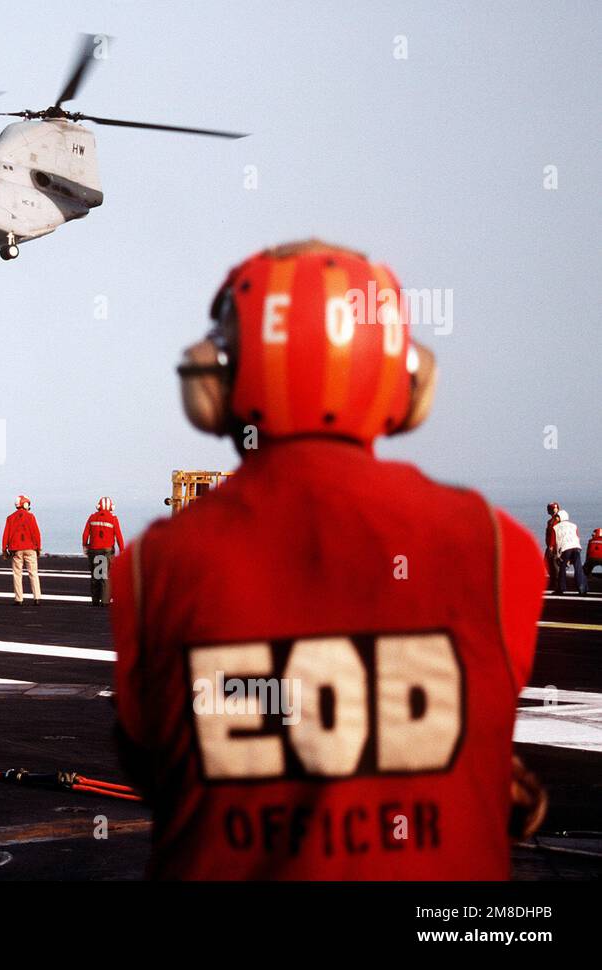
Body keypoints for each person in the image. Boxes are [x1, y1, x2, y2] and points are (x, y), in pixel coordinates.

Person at [112, 240, 545, 879]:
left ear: (219, 381)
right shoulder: (496, 544)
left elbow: (149, 760)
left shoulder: (154, 566)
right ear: (408, 378)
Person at [1, 494, 42, 604]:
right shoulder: (31, 517)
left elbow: (6, 535)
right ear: (25, 504)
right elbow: (36, 533)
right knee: (33, 573)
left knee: (17, 574)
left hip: (16, 550)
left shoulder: (10, 518)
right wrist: (38, 548)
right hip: (30, 549)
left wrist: (4, 550)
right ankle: (37, 597)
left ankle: (19, 599)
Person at [82, 497, 124, 605]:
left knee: (96, 575)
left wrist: (85, 546)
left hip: (94, 550)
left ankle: (95, 600)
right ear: (111, 507)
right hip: (107, 552)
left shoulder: (92, 518)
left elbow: (85, 534)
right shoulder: (113, 519)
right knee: (105, 575)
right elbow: (119, 536)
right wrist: (122, 550)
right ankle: (105, 601)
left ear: (98, 506)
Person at [552, 510, 588, 595]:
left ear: (561, 517)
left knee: (562, 567)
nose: (556, 518)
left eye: (557, 516)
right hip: (576, 547)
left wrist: (558, 555)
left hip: (565, 548)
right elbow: (577, 536)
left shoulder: (556, 527)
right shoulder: (573, 526)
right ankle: (582, 588)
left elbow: (555, 542)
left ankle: (561, 588)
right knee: (578, 567)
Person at [544, 502, 561, 590]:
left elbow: (554, 534)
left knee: (554, 564)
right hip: (550, 545)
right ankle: (554, 581)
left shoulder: (556, 521)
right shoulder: (551, 521)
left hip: (554, 545)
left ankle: (556, 583)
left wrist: (551, 545)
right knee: (548, 563)